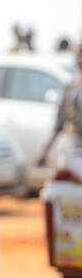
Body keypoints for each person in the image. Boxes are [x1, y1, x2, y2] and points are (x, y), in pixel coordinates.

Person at [38, 42, 82, 178]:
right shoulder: (72, 86)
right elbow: (60, 122)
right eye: (79, 55)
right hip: (75, 146)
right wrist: (44, 152)